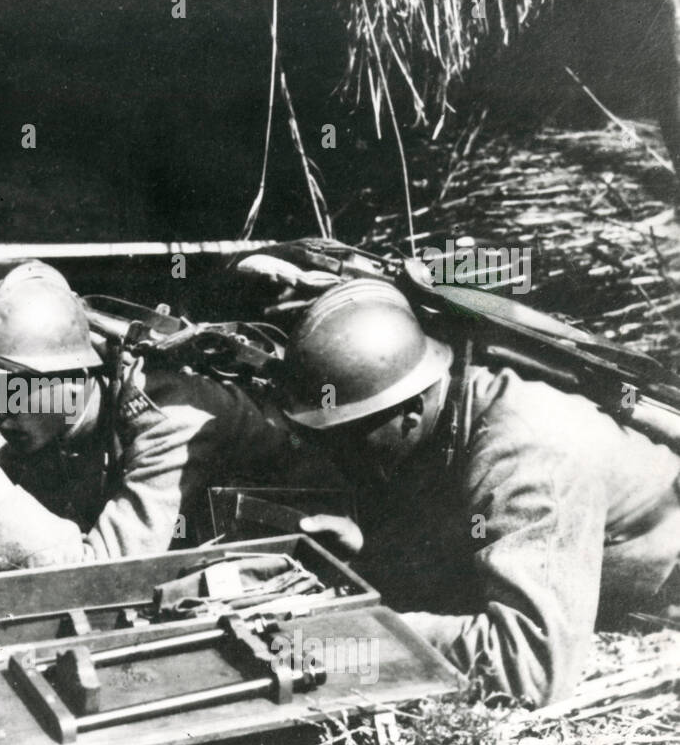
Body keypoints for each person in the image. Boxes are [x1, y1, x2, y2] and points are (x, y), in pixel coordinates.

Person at [278, 278, 680, 705]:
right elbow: (472, 529)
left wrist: (349, 643)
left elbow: (528, 666)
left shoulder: (529, 454)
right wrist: (376, 555)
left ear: (410, 412)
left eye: (347, 438)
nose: (335, 457)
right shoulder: (451, 407)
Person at [0, 260, 306, 569]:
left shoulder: (167, 421)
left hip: (304, 540)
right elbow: (16, 527)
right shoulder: (58, 414)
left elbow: (104, 576)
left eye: (14, 390)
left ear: (76, 378)